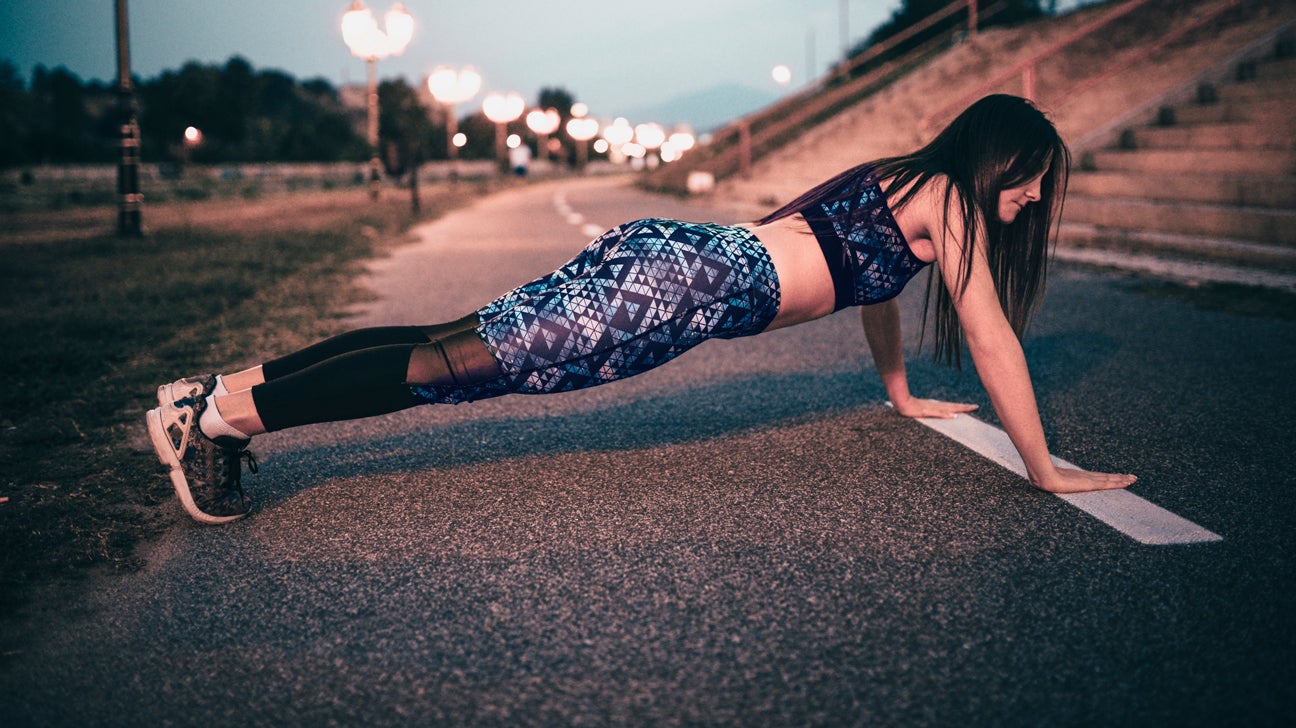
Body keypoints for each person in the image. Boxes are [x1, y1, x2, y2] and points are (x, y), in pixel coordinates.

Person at [147, 94, 1137, 525]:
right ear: (1000, 159)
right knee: (442, 369)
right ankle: (220, 418)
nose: (1036, 200)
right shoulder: (955, 204)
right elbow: (994, 333)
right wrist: (1043, 469)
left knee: (443, 344)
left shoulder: (909, 183)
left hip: (685, 258)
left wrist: (902, 388)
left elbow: (878, 287)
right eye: (1035, 180)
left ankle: (220, 394)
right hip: (684, 285)